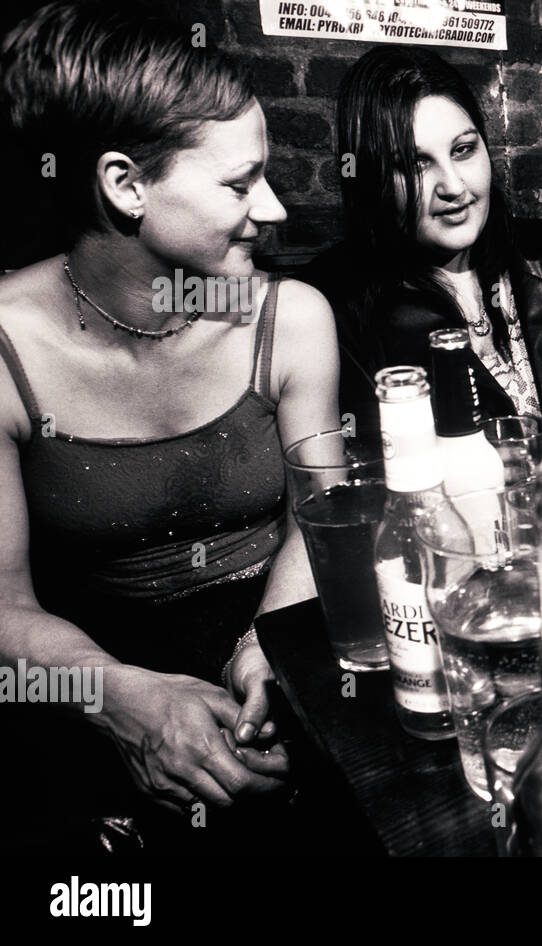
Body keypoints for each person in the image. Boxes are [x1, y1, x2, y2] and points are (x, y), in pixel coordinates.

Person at [0, 2, 339, 851]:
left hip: (271, 643)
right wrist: (120, 700)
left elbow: (325, 512)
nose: (275, 211)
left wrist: (276, 643)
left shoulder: (288, 320)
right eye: (238, 183)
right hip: (86, 686)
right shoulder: (6, 344)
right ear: (126, 185)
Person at [300, 47, 542, 470]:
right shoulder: (339, 314)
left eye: (463, 150)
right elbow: (369, 479)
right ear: (373, 180)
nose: (453, 185)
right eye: (415, 164)